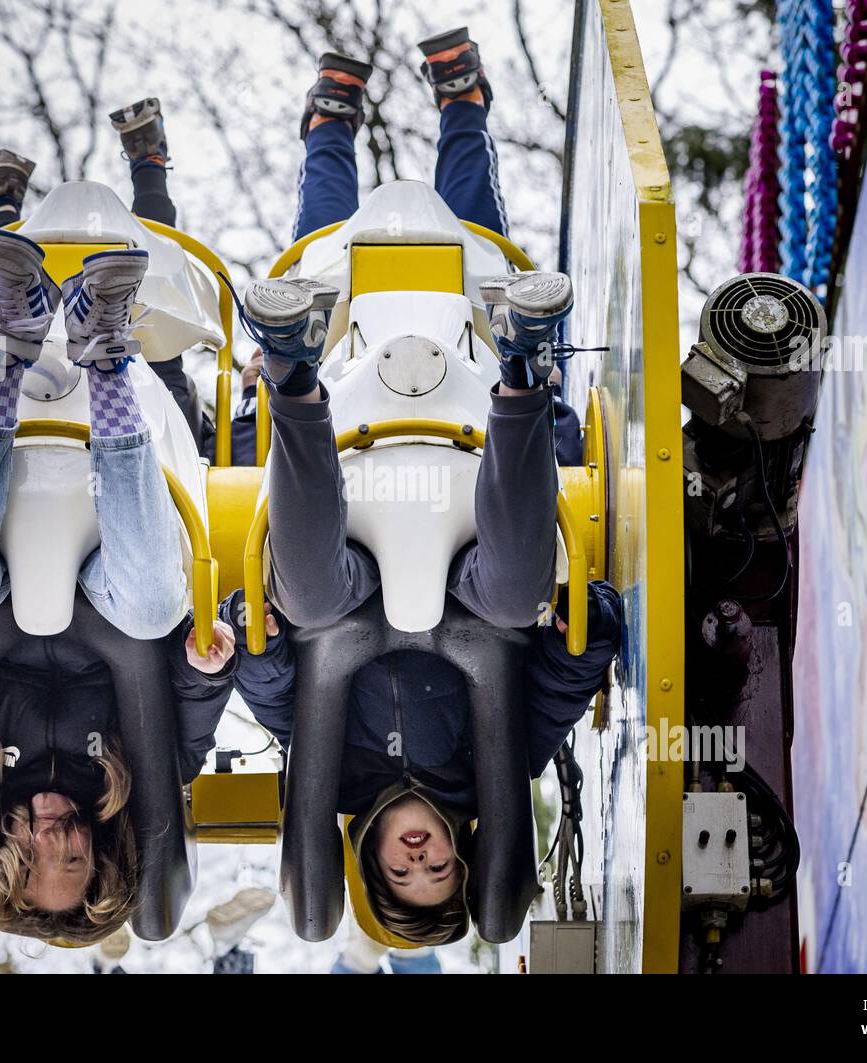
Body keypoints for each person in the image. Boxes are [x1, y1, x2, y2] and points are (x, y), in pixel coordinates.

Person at [222, 30, 623, 948]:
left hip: (357, 510)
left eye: (400, 869)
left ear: (366, 855)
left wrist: (254, 641)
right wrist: (589, 623)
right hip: (470, 513)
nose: (417, 853)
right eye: (438, 866)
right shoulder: (504, 757)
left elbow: (266, 674)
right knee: (473, 251)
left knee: (327, 254)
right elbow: (570, 670)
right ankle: (466, 117)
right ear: (466, 849)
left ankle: (296, 357)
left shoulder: (325, 766)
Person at [0, 99, 239, 944]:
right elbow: (195, 691)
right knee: (152, 608)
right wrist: (211, 663)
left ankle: (5, 331)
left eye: (36, 858)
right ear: (103, 849)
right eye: (76, 858)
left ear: (3, 847)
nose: (57, 841)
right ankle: (108, 335)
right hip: (119, 527)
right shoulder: (147, 767)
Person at [0, 100, 219, 460]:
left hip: (30, 388)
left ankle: (1, 215)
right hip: (134, 414)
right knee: (153, 340)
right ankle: (147, 163)